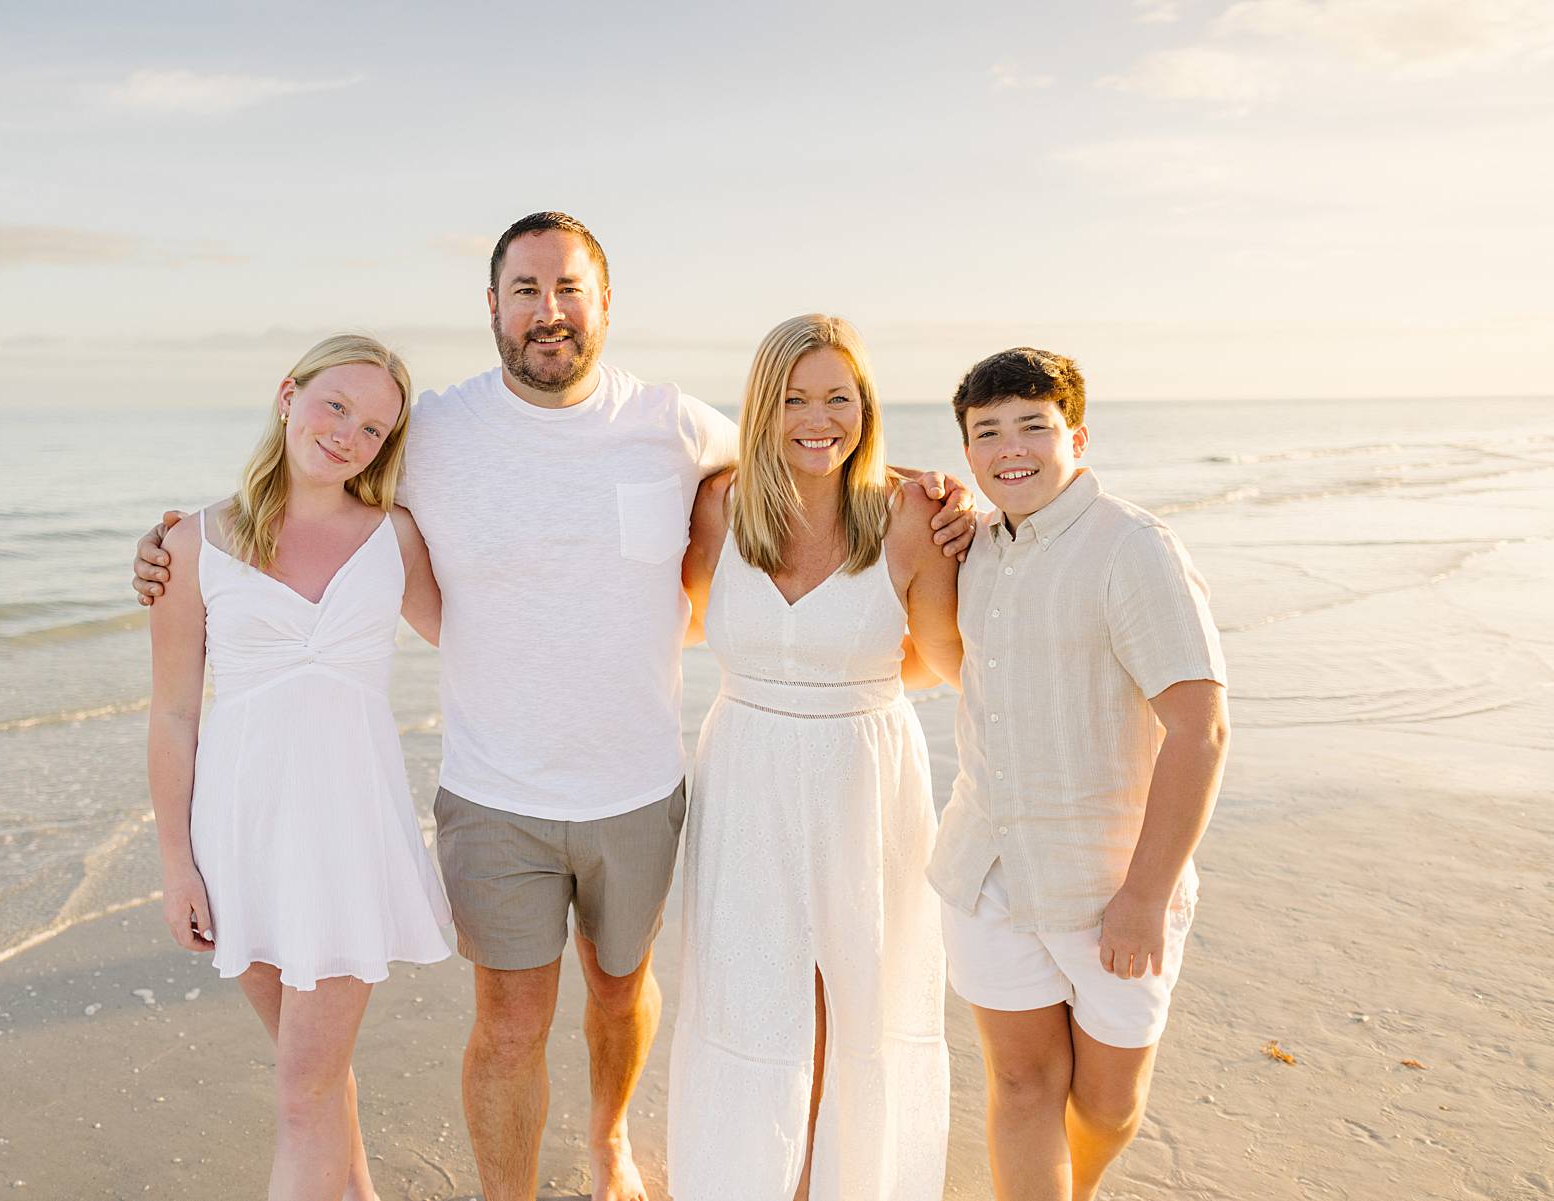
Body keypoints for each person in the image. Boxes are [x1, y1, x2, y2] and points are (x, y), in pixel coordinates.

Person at [133, 212, 978, 1201]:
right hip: (494, 793)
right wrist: (178, 541)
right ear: (491, 306)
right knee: (507, 1022)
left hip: (637, 785)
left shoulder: (668, 423)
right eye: (526, 290)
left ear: (604, 305)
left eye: (569, 289)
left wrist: (935, 484)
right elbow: (315, 480)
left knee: (622, 997)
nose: (549, 311)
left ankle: (610, 1142)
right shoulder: (432, 432)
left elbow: (809, 437)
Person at [146, 334, 451, 1201]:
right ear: (288, 394)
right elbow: (172, 714)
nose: (349, 433)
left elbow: (481, 639)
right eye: (336, 406)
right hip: (239, 840)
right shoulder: (193, 541)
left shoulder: (396, 536)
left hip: (349, 838)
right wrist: (177, 865)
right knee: (314, 1072)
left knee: (300, 1089)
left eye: (375, 427)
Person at [667, 314, 963, 1200]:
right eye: (793, 398)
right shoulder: (717, 508)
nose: (816, 418)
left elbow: (943, 661)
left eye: (838, 396)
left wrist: (984, 522)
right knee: (750, 992)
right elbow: (674, 612)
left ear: (866, 407)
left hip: (863, 774)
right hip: (746, 766)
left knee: (853, 996)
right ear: (763, 408)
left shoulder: (910, 516)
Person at [926, 348, 1230, 1201]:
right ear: (969, 450)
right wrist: (942, 498)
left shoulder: (1133, 549)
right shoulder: (977, 544)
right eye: (987, 432)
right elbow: (853, 462)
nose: (1010, 447)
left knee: (1105, 1104)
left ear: (1078, 437)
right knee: (1021, 1085)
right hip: (987, 871)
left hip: (1109, 888)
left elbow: (1200, 731)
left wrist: (1143, 895)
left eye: (1034, 425)